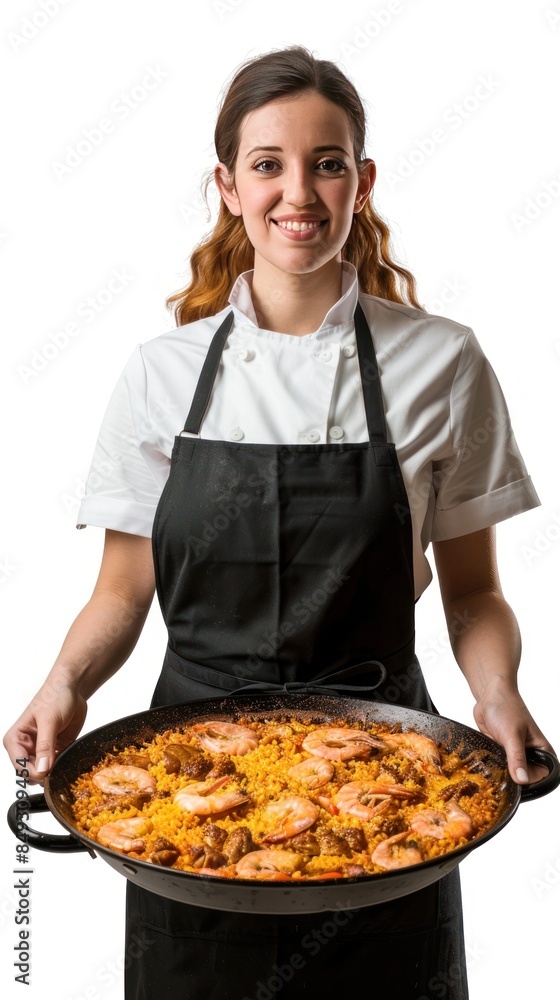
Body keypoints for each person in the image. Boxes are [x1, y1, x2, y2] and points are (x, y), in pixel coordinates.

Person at [4, 44, 556, 1000]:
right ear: (227, 185)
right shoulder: (160, 372)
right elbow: (123, 589)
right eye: (267, 164)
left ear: (363, 180)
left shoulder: (444, 362)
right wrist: (63, 685)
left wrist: (497, 697)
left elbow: (474, 593)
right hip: (186, 762)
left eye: (327, 161)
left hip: (392, 755)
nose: (297, 192)